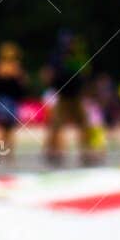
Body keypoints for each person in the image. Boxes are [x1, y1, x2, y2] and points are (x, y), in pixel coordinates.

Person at [42, 29, 92, 167]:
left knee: (82, 125)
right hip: (63, 96)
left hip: (74, 95)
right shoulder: (58, 57)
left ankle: (85, 151)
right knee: (57, 125)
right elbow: (49, 75)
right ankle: (54, 151)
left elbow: (84, 73)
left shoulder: (76, 56)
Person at [0, 42, 28, 154]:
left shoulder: (16, 67)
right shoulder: (0, 66)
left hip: (12, 101)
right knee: (1, 127)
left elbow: (22, 85)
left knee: (10, 128)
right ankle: (1, 151)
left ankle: (8, 151)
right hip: (2, 100)